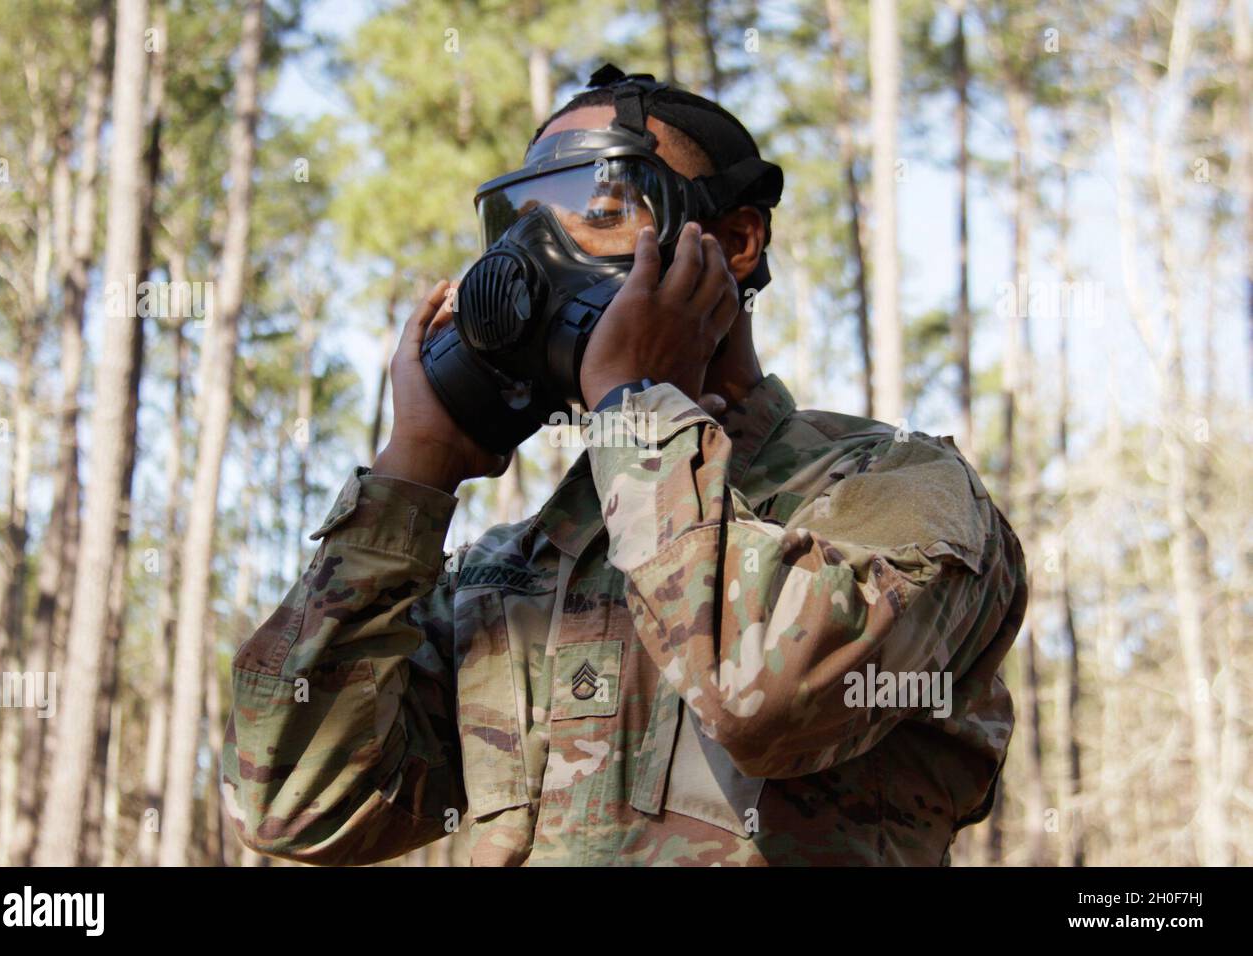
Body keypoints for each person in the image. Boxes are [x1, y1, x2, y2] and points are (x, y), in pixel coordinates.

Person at [223, 65, 1027, 866]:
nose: (535, 259)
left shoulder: (889, 488)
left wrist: (637, 408)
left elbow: (766, 700)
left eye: (600, 211)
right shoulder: (510, 576)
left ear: (737, 242)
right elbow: (294, 803)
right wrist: (411, 478)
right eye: (518, 225)